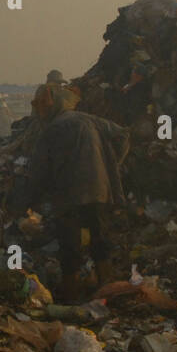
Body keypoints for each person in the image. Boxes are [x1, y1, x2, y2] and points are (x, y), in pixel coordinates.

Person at [23, 88, 129, 302]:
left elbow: (38, 171)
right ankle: (106, 286)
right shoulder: (89, 120)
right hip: (98, 189)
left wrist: (26, 202)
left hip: (68, 193)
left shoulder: (50, 131)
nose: (40, 110)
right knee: (99, 236)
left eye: (42, 105)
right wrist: (111, 163)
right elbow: (123, 135)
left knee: (69, 242)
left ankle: (70, 293)